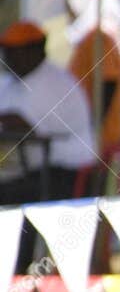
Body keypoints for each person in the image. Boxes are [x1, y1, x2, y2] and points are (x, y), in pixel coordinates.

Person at [0, 21, 97, 218]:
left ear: (37, 50)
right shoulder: (11, 82)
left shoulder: (57, 83)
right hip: (27, 169)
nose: (8, 57)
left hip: (65, 172)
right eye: (6, 51)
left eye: (15, 51)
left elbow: (27, 129)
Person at [59, 0, 120, 155]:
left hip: (100, 141)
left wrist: (91, 127)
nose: (67, 3)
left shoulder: (100, 35)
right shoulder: (91, 36)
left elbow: (108, 82)